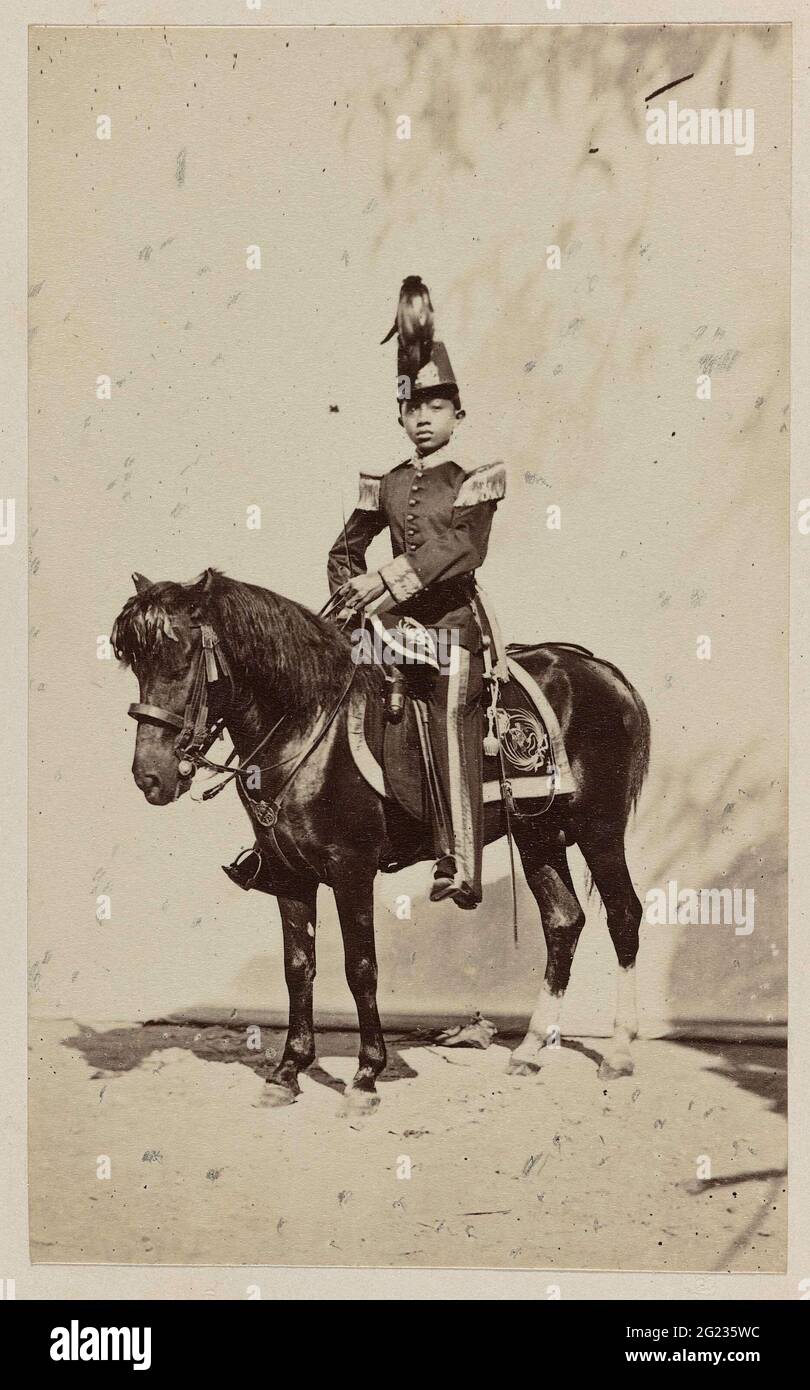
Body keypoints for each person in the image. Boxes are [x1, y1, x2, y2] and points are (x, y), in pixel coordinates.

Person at [326, 295, 505, 908]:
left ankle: (459, 862)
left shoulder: (473, 483)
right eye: (413, 407)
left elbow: (464, 548)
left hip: (454, 628)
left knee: (453, 710)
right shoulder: (385, 484)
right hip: (391, 628)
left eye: (437, 406)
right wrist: (354, 598)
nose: (424, 418)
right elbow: (344, 553)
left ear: (458, 414)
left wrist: (392, 576)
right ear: (399, 416)